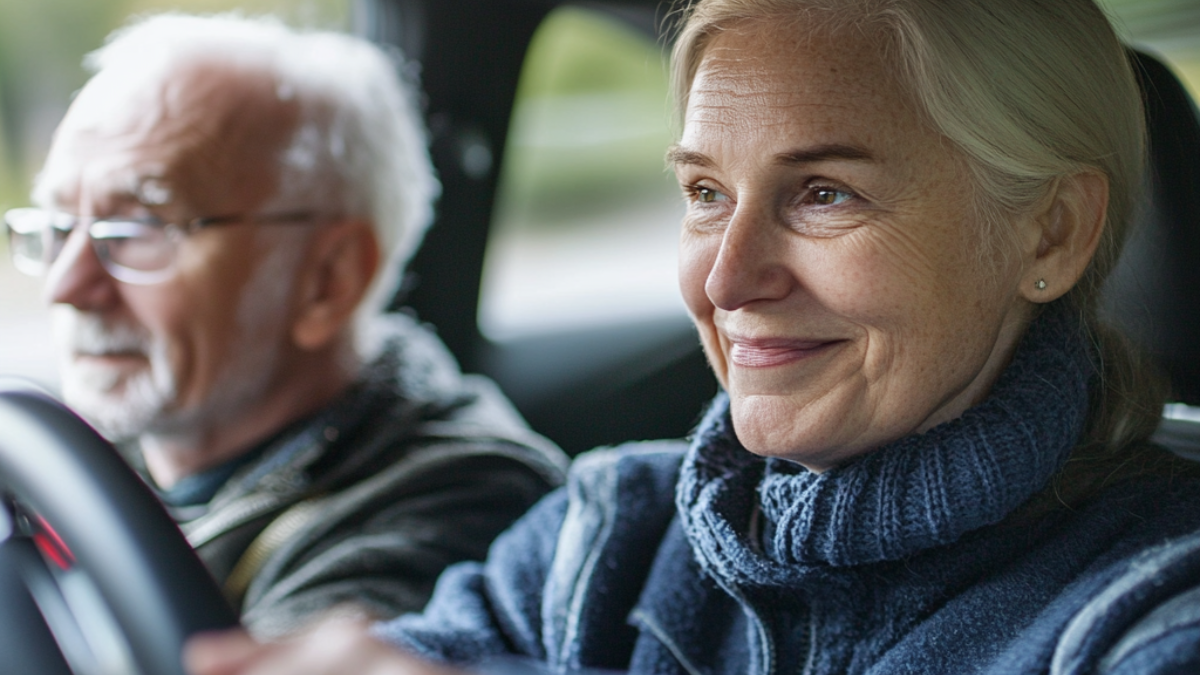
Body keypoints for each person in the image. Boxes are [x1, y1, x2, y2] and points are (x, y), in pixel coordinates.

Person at [187, 0, 1200, 672]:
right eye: (707, 193)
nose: (725, 277)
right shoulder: (605, 539)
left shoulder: (1148, 612)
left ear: (1052, 232)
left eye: (824, 192)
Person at [3, 14, 567, 639]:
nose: (67, 287)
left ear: (328, 279)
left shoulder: (459, 512)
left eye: (139, 229)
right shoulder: (90, 454)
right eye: (56, 228)